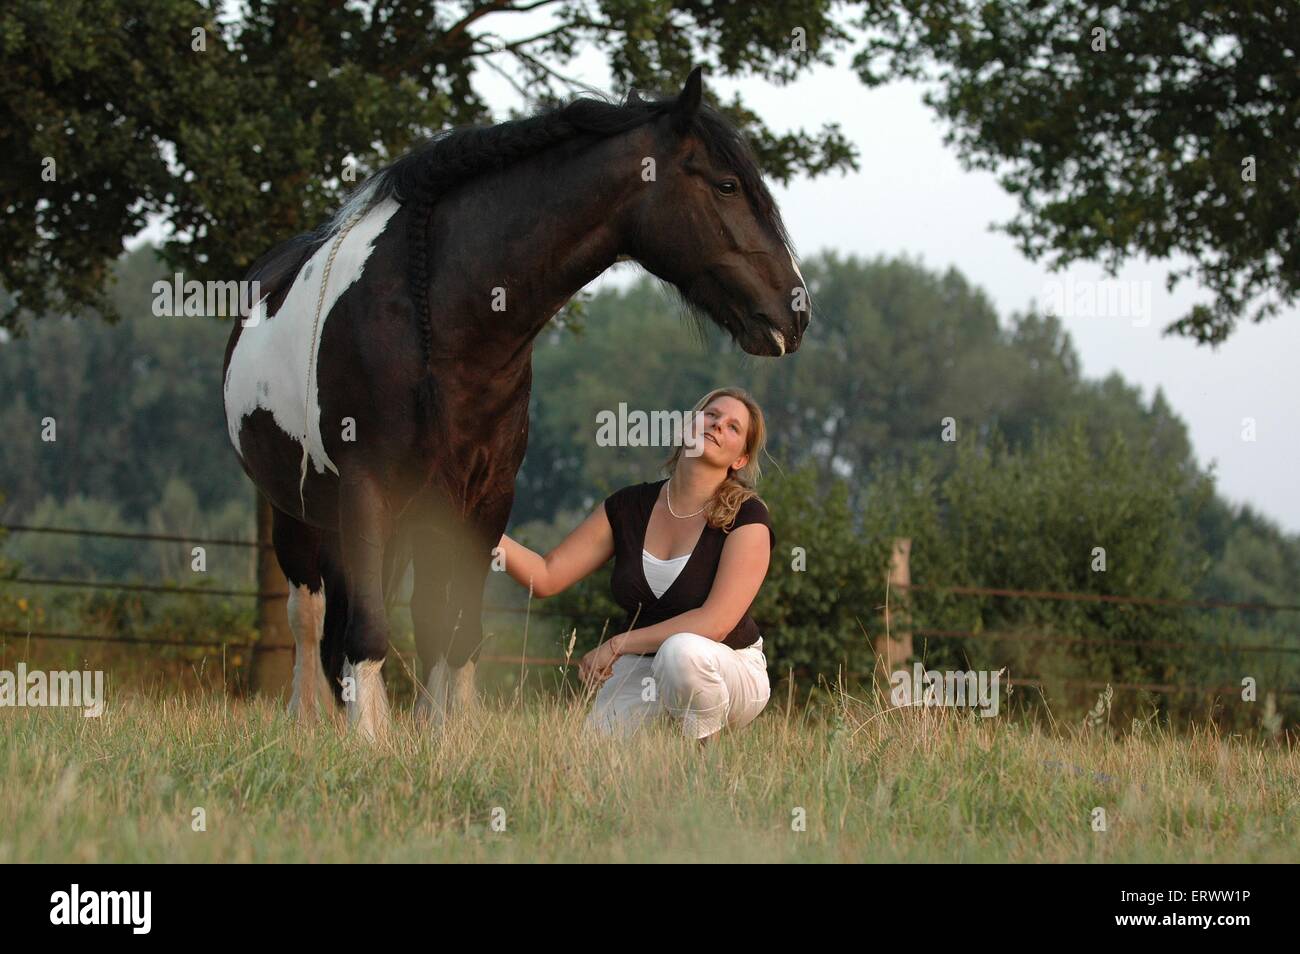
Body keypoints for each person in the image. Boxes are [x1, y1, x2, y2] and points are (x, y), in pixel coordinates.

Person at [496, 386, 776, 742]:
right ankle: (670, 733)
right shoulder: (628, 506)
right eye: (712, 415)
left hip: (729, 667)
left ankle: (706, 765)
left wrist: (617, 644)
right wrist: (483, 531)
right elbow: (548, 576)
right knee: (596, 757)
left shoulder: (748, 516)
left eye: (733, 427)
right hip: (645, 664)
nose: (718, 425)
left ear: (740, 459)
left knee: (681, 653)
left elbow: (715, 624)